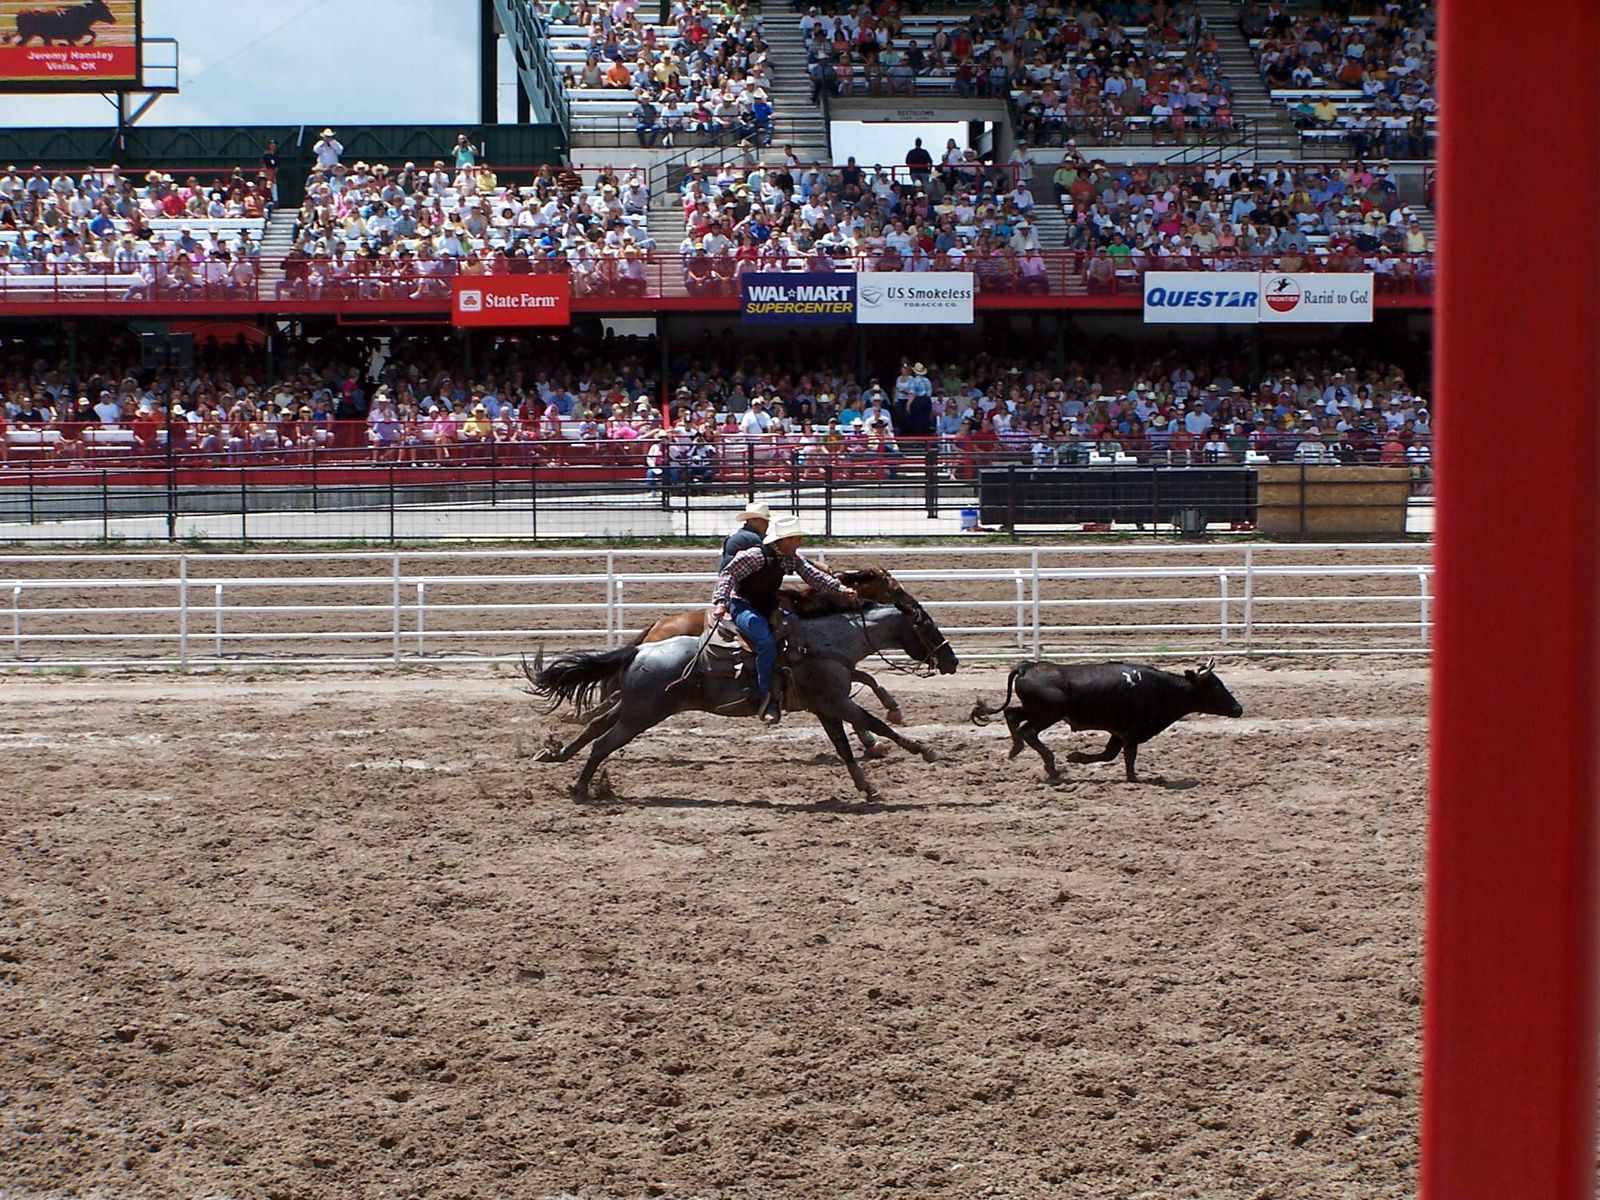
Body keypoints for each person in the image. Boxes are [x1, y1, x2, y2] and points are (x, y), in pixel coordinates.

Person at [709, 515, 857, 723]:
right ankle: (766, 697)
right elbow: (728, 574)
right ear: (785, 540)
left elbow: (813, 576)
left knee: (799, 627)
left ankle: (800, 681)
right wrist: (721, 602)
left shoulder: (789, 558)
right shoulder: (756, 556)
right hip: (743, 605)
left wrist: (840, 589)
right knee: (765, 643)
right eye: (797, 539)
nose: (800, 543)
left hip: (766, 606)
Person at [720, 501, 770, 568]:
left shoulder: (736, 535)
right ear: (753, 520)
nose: (767, 525)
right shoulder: (752, 539)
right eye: (764, 521)